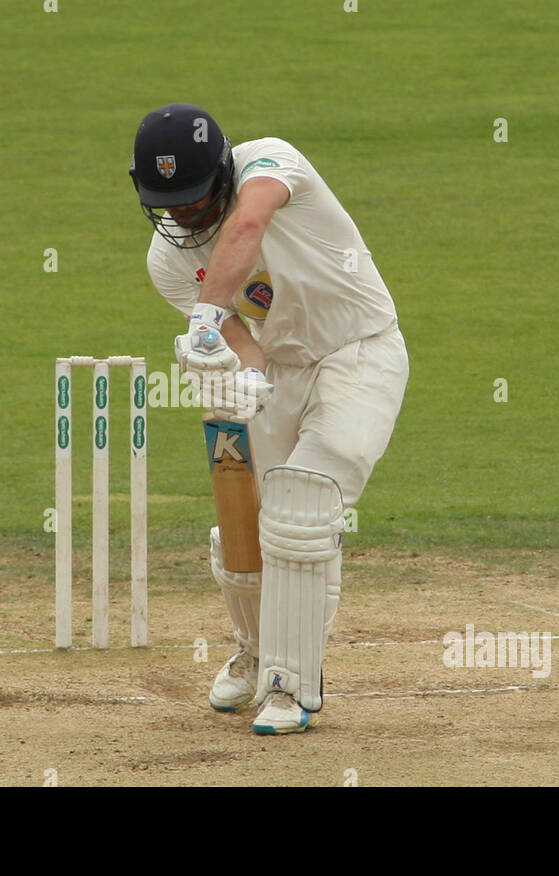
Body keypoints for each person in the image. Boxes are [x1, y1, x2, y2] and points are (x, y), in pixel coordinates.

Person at [129, 103, 409, 734]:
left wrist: (205, 316)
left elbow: (248, 223)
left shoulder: (270, 162)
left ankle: (292, 683)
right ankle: (256, 652)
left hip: (358, 351)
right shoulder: (166, 260)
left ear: (223, 172)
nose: (183, 215)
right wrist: (246, 372)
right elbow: (242, 337)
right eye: (168, 202)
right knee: (242, 521)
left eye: (196, 199)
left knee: (301, 509)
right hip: (281, 369)